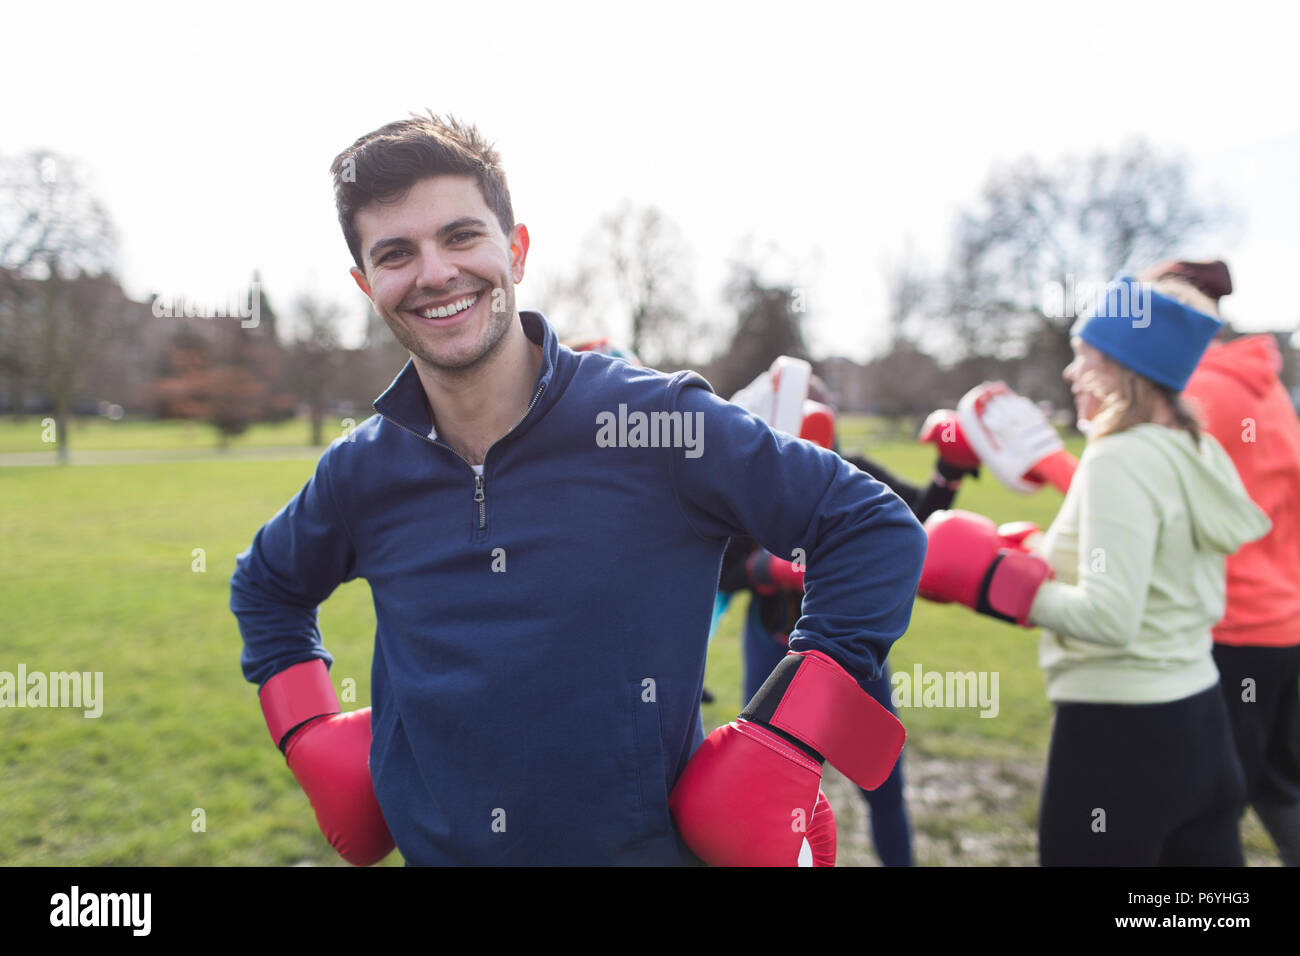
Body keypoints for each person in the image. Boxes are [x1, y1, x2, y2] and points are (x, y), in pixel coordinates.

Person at [229, 112, 927, 866]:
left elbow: (870, 527)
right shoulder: (361, 470)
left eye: (461, 236)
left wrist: (786, 734)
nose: (434, 274)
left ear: (516, 250)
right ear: (368, 286)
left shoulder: (654, 421)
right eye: (397, 254)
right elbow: (266, 586)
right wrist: (307, 737)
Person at [918, 276, 1270, 865]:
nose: (1070, 372)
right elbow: (1154, 567)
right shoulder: (1192, 447)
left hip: (1121, 738)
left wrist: (991, 584)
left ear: (1124, 368)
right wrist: (1040, 552)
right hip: (1202, 725)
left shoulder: (1118, 458)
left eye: (1085, 357)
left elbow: (1111, 616)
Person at [718, 372, 980, 866]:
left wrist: (950, 472)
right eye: (806, 401)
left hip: (852, 656)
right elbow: (722, 569)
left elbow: (917, 525)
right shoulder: (757, 485)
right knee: (766, 786)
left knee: (881, 783)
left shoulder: (854, 473)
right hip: (772, 647)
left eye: (823, 402)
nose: (817, 411)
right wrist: (767, 567)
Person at [1138, 260, 1300, 866]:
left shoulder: (1197, 391)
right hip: (1281, 623)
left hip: (1229, 628)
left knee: (1202, 810)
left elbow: (1137, 508)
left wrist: (1046, 460)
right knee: (1275, 786)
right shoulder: (1265, 387)